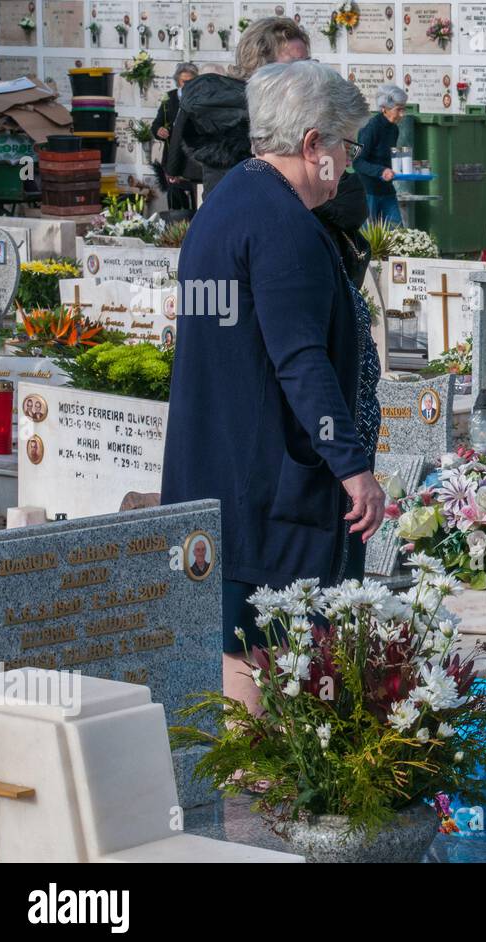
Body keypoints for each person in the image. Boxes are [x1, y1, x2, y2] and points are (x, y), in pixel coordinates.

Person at [162, 61, 384, 708]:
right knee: (271, 667)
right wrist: (351, 466)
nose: (347, 162)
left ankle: (246, 802)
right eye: (345, 146)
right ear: (313, 144)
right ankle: (263, 805)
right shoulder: (284, 225)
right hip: (272, 490)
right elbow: (300, 359)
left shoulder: (229, 200)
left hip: (222, 479)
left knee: (241, 656)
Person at [163, 17, 310, 196]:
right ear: (260, 67)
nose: (306, 74)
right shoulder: (232, 123)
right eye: (294, 66)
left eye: (308, 64)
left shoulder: (299, 114)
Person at [353, 83, 407, 224]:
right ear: (384, 109)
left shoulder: (394, 129)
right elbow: (357, 161)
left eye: (403, 109)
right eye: (398, 110)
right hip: (368, 190)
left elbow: (388, 158)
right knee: (369, 236)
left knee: (396, 232)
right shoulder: (370, 128)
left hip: (387, 189)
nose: (402, 114)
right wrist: (381, 171)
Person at [151, 62, 199, 211]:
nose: (187, 85)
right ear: (178, 80)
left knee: (195, 199)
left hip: (192, 157)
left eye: (191, 81)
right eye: (184, 81)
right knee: (174, 198)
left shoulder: (199, 98)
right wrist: (159, 130)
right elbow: (157, 123)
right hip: (173, 155)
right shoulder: (169, 98)